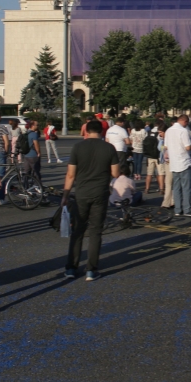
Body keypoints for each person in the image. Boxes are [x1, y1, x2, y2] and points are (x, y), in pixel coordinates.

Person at [61, 120, 120, 281]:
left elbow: (71, 174)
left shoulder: (78, 147)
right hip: (100, 192)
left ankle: (72, 268)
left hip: (81, 193)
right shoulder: (109, 148)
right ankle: (91, 270)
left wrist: (65, 195)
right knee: (95, 231)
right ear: (102, 131)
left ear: (86, 131)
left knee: (78, 231)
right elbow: (115, 173)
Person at [165, 115, 191, 218]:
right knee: (186, 187)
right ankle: (187, 209)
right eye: (186, 123)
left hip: (174, 162)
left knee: (176, 187)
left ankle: (177, 209)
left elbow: (165, 146)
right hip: (184, 161)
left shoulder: (168, 131)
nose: (186, 125)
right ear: (184, 121)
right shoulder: (183, 131)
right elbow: (188, 147)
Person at [143, 125, 164, 194]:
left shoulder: (149, 132)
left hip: (149, 156)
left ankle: (147, 189)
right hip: (158, 156)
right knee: (160, 173)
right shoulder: (159, 134)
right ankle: (161, 189)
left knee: (149, 174)